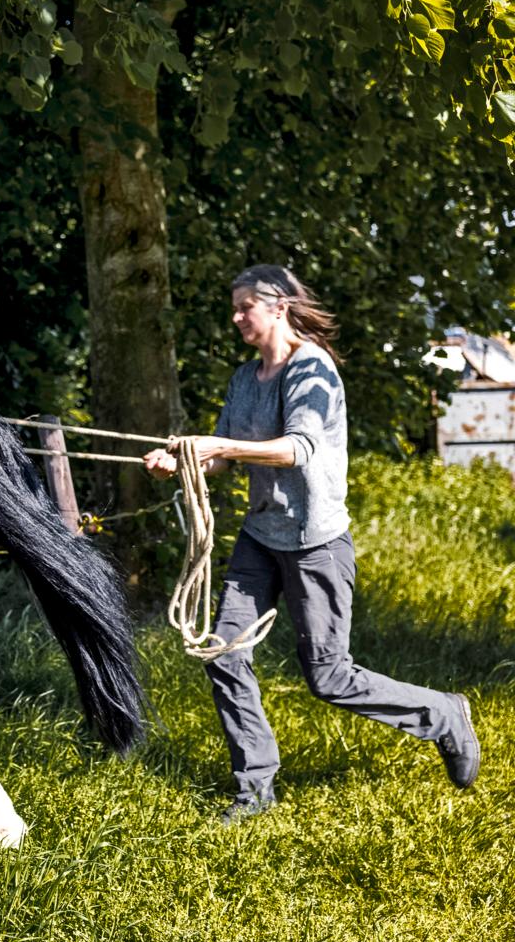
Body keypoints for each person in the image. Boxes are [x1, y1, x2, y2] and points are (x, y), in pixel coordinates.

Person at [143, 265, 480, 824]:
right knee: (223, 651)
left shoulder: (313, 371)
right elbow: (226, 455)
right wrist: (180, 460)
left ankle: (443, 714)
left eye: (244, 305)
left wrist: (215, 444)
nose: (236, 317)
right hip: (259, 537)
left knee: (329, 677)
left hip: (314, 543)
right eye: (235, 306)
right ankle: (255, 789)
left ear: (277, 306)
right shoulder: (245, 378)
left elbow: (298, 448)